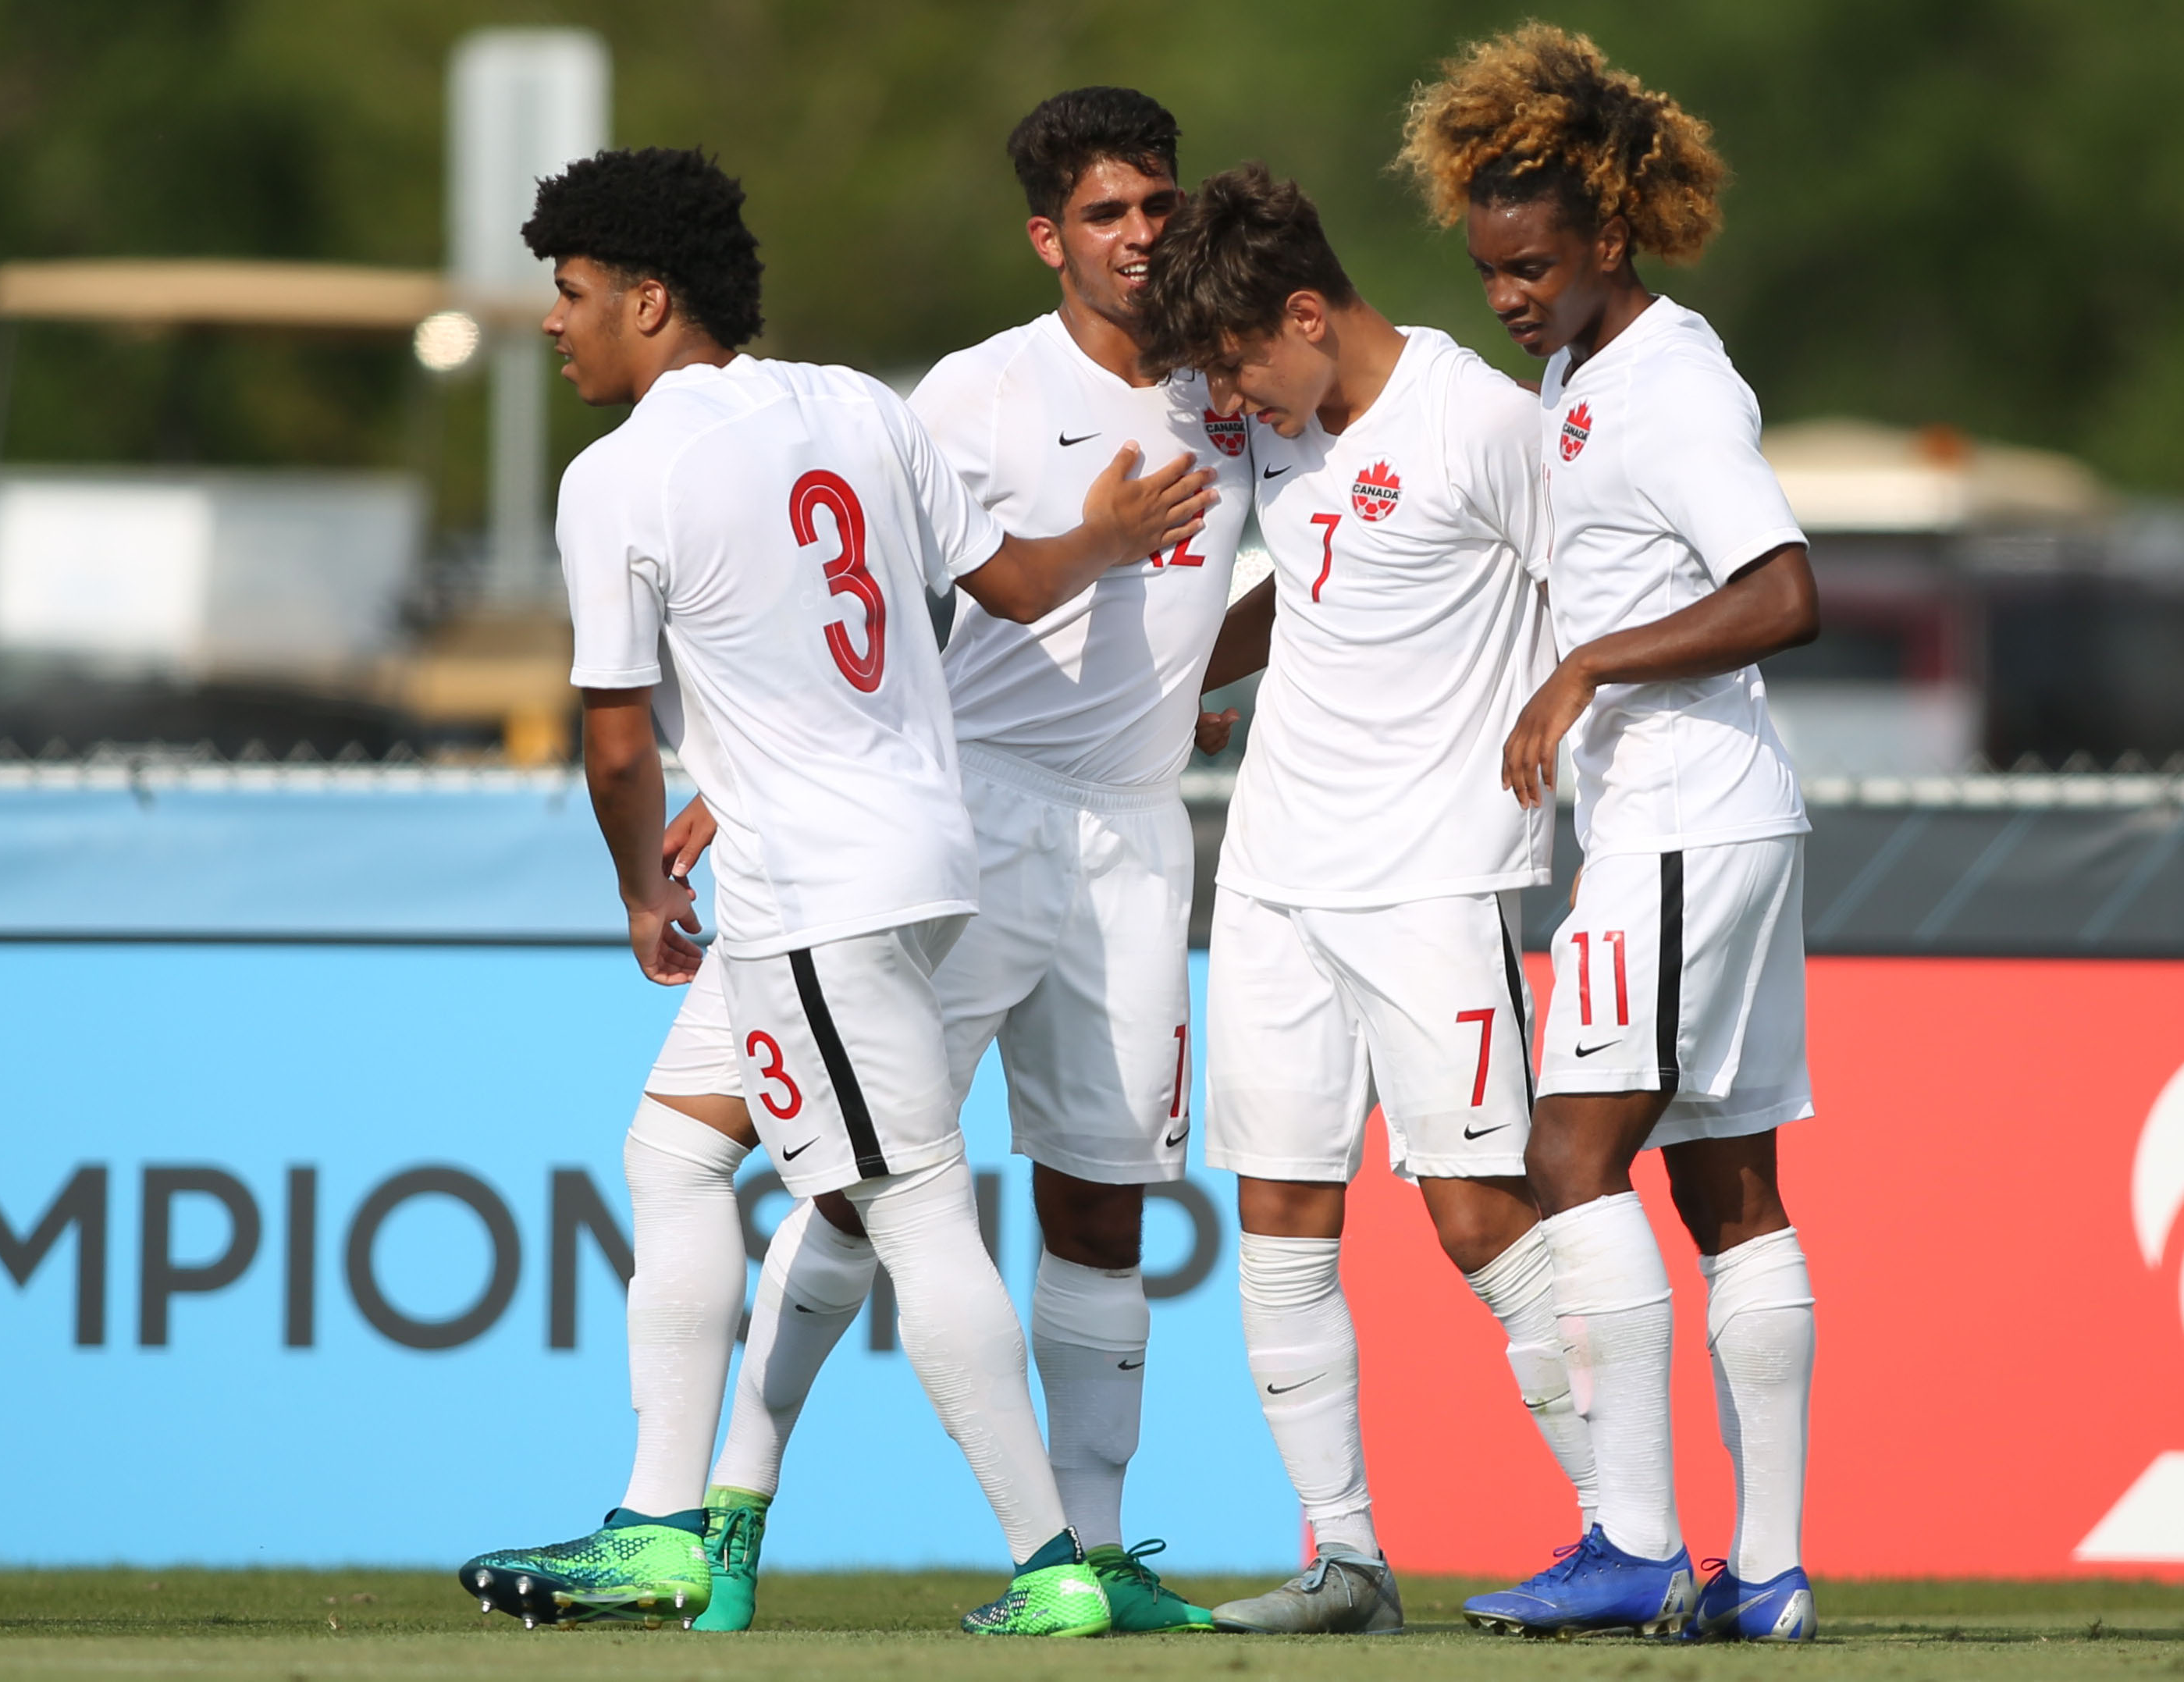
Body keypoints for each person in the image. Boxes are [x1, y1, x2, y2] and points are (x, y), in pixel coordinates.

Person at [452, 144, 1212, 1638]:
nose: (554, 320)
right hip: (922, 851)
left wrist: (640, 893)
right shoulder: (856, 402)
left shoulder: (620, 473)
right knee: (674, 1150)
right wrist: (1109, 539)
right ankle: (660, 1521)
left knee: (910, 1204)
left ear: (648, 300)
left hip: (811, 884)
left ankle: (1051, 1561)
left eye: (573, 291)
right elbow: (1006, 589)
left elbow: (618, 740)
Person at [681, 86, 1255, 1634]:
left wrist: (1193, 674)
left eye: (1156, 204)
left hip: (1139, 836)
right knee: (865, 1188)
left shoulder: (1232, 384)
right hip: (978, 822)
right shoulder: (980, 391)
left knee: (1105, 1207)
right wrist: (747, 773)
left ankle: (1091, 1555)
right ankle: (732, 1507)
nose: (1138, 235)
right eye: (1105, 213)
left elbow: (1291, 571)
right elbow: (849, 595)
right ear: (1046, 237)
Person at [1396, 24, 1823, 1643]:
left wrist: (1586, 666)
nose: (1509, 295)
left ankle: (1634, 1542)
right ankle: (1765, 1577)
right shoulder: (1581, 375)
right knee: (1728, 1188)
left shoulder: (1668, 386)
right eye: (1490, 270)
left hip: (1684, 821)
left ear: (1610, 238)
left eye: (1532, 267)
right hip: (1707, 817)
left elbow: (1784, 591)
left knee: (1567, 1156)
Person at [1132, 162, 1598, 1636]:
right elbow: (1316, 581)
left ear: (1307, 313)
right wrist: (1197, 675)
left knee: (1476, 1218)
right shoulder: (1291, 429)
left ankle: (1632, 1533)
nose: (1231, 401)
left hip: (1431, 882)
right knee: (1279, 1212)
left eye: (1235, 366)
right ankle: (1345, 1562)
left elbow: (1594, 596)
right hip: (1274, 876)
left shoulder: (1481, 422)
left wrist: (1574, 734)